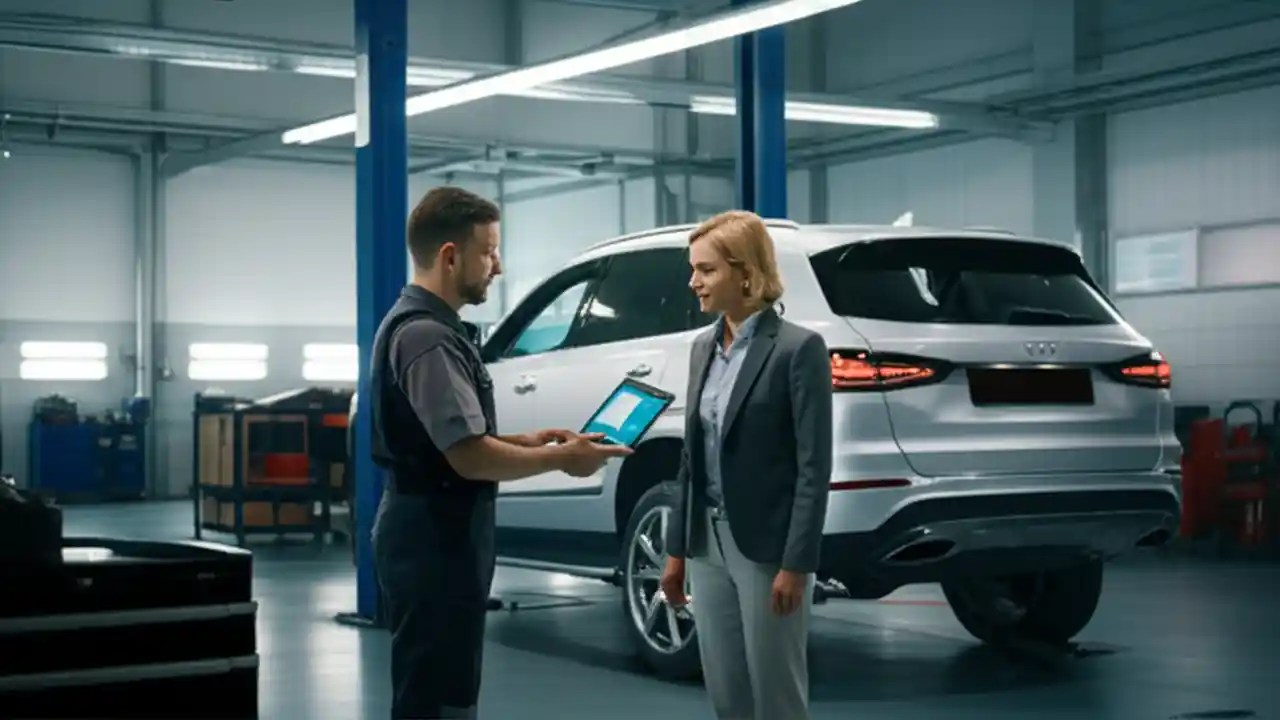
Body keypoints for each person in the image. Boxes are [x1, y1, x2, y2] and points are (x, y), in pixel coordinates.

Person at [369, 186, 633, 719]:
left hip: (437, 532)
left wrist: (527, 442)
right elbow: (469, 458)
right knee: (437, 699)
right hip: (434, 541)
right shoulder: (426, 338)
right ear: (449, 255)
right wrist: (564, 460)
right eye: (489, 251)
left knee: (443, 687)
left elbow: (449, 445)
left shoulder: (427, 329)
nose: (498, 266)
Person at [660, 210, 833, 720]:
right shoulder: (702, 348)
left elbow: (813, 466)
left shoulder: (799, 349)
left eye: (706, 270)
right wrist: (676, 552)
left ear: (745, 273)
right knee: (726, 691)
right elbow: (691, 459)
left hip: (766, 549)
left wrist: (797, 564)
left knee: (777, 692)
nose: (694, 282)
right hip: (706, 544)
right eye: (693, 269)